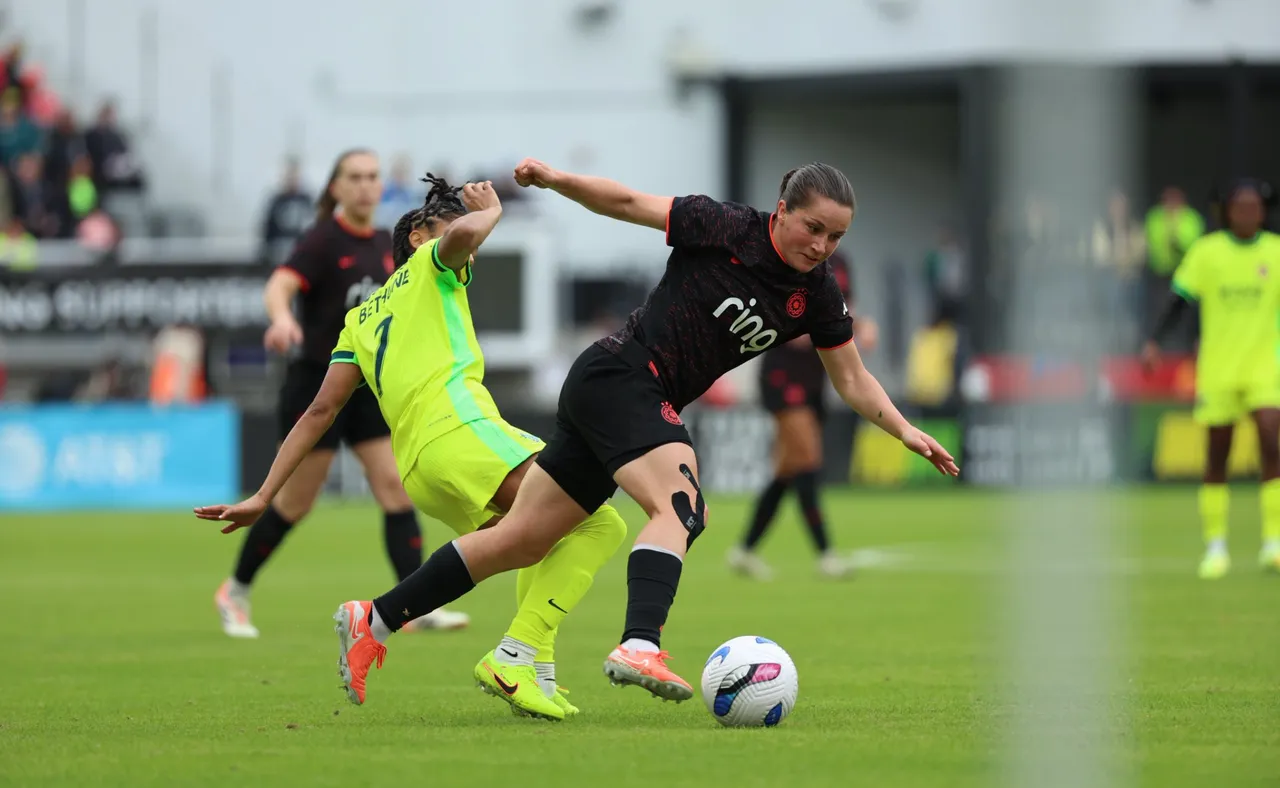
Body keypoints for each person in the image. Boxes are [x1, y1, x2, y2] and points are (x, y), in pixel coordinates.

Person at [324, 158, 958, 707]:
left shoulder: (816, 293)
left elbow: (850, 377)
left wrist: (903, 428)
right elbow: (628, 203)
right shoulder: (727, 225)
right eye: (812, 227)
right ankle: (639, 645)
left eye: (836, 237)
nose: (821, 246)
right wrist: (555, 179)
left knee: (520, 539)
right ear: (781, 210)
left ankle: (374, 620)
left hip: (617, 391)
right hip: (624, 374)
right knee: (679, 504)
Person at [198, 176, 628, 721]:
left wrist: (264, 494)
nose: (466, 239)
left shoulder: (360, 320)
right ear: (420, 237)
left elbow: (318, 413)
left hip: (420, 465)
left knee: (537, 534)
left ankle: (527, 668)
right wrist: (492, 210)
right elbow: (460, 240)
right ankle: (509, 655)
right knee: (596, 522)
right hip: (462, 429)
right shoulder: (432, 266)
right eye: (450, 227)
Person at [213, 149, 469, 639]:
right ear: (335, 187)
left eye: (372, 177)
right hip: (319, 387)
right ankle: (236, 590)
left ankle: (414, 605)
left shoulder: (385, 242)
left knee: (395, 491)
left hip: (368, 386)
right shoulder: (322, 240)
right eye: (354, 177)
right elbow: (280, 285)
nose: (366, 186)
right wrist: (283, 318)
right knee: (295, 504)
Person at [1143, 178, 1280, 579]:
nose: (1247, 214)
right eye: (1240, 207)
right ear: (1226, 211)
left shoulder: (1274, 251)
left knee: (1272, 439)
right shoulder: (1208, 252)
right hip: (1218, 369)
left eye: (1255, 207)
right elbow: (1179, 299)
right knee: (1217, 455)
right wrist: (1154, 341)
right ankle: (1216, 547)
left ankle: (1273, 541)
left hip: (1264, 368)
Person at [729, 250, 880, 580]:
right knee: (807, 460)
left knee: (788, 469)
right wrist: (849, 328)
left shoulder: (840, 264)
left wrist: (858, 324)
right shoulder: (791, 259)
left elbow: (841, 312)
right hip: (784, 378)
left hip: (815, 379)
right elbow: (799, 329)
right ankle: (826, 555)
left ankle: (744, 550)